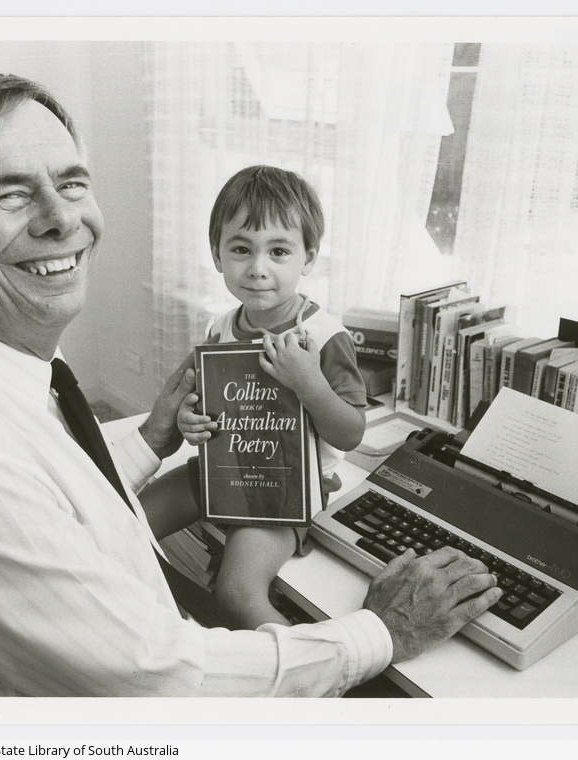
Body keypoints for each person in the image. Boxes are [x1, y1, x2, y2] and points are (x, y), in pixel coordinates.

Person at [0, 71, 502, 697]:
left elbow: (70, 508)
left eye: (72, 182)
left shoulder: (17, 372)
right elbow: (163, 682)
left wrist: (157, 437)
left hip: (274, 498)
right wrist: (379, 632)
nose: (58, 217)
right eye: (9, 193)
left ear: (308, 257)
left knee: (226, 579)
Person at [139, 166, 366, 630]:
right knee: (126, 527)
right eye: (241, 249)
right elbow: (202, 408)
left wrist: (309, 384)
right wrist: (190, 421)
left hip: (287, 489)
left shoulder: (323, 336)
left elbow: (351, 432)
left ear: (308, 257)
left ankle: (313, 683)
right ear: (218, 256)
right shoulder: (220, 328)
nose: (258, 268)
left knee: (237, 592)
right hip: (220, 471)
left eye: (279, 251)